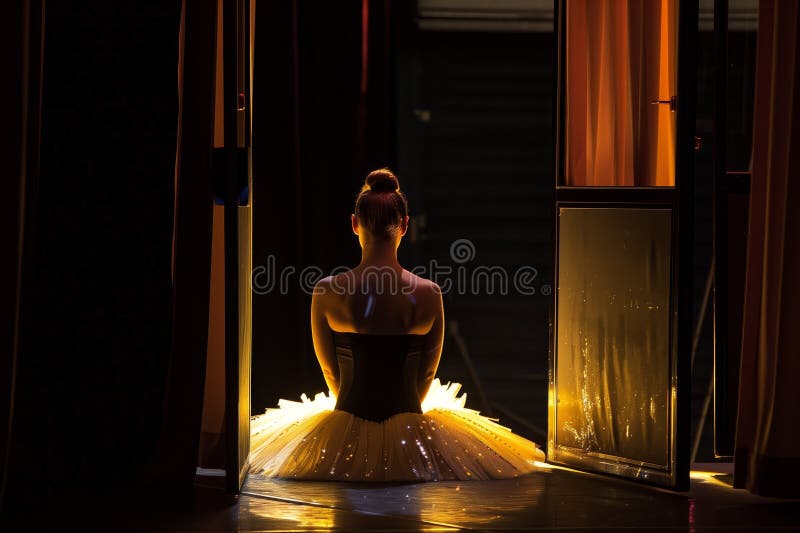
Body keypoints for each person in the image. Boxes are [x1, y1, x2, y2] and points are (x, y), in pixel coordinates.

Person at [249, 168, 545, 481]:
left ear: (354, 224)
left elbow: (329, 370)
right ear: (404, 225)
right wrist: (405, 419)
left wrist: (352, 420)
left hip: (348, 413)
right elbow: (427, 372)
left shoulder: (326, 291)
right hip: (409, 420)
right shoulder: (429, 293)